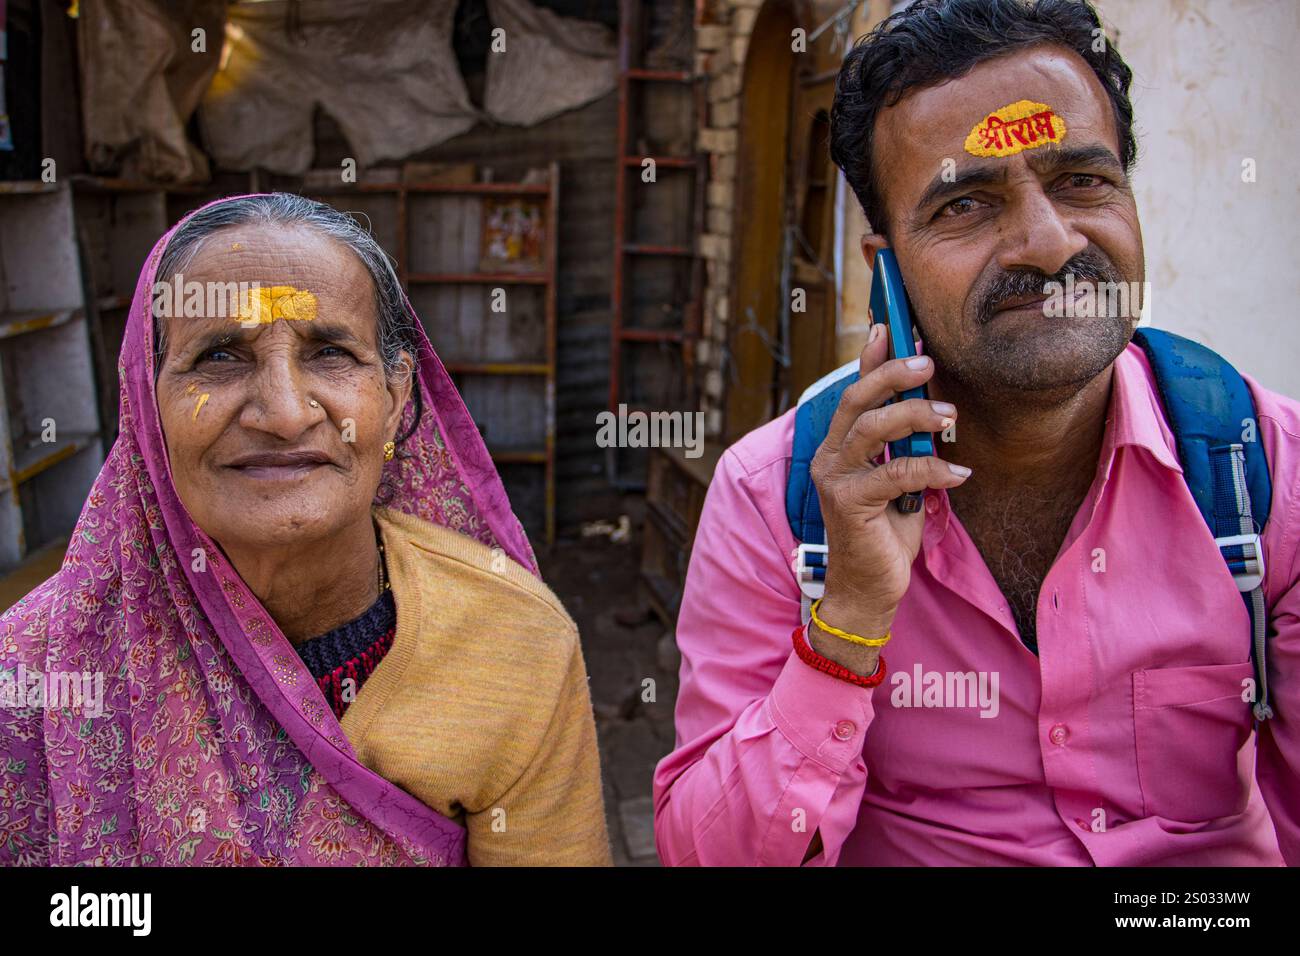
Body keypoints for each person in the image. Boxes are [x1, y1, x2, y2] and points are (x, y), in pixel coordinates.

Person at [654, 0, 1300, 866]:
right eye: (965, 204)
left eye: (1083, 181)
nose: (1046, 241)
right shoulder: (778, 495)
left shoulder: (1259, 470)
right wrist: (845, 623)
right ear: (887, 272)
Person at [0, 193, 610, 867]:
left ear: (396, 393)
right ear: (148, 402)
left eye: (330, 352)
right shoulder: (35, 670)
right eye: (220, 356)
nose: (285, 414)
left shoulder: (514, 643)